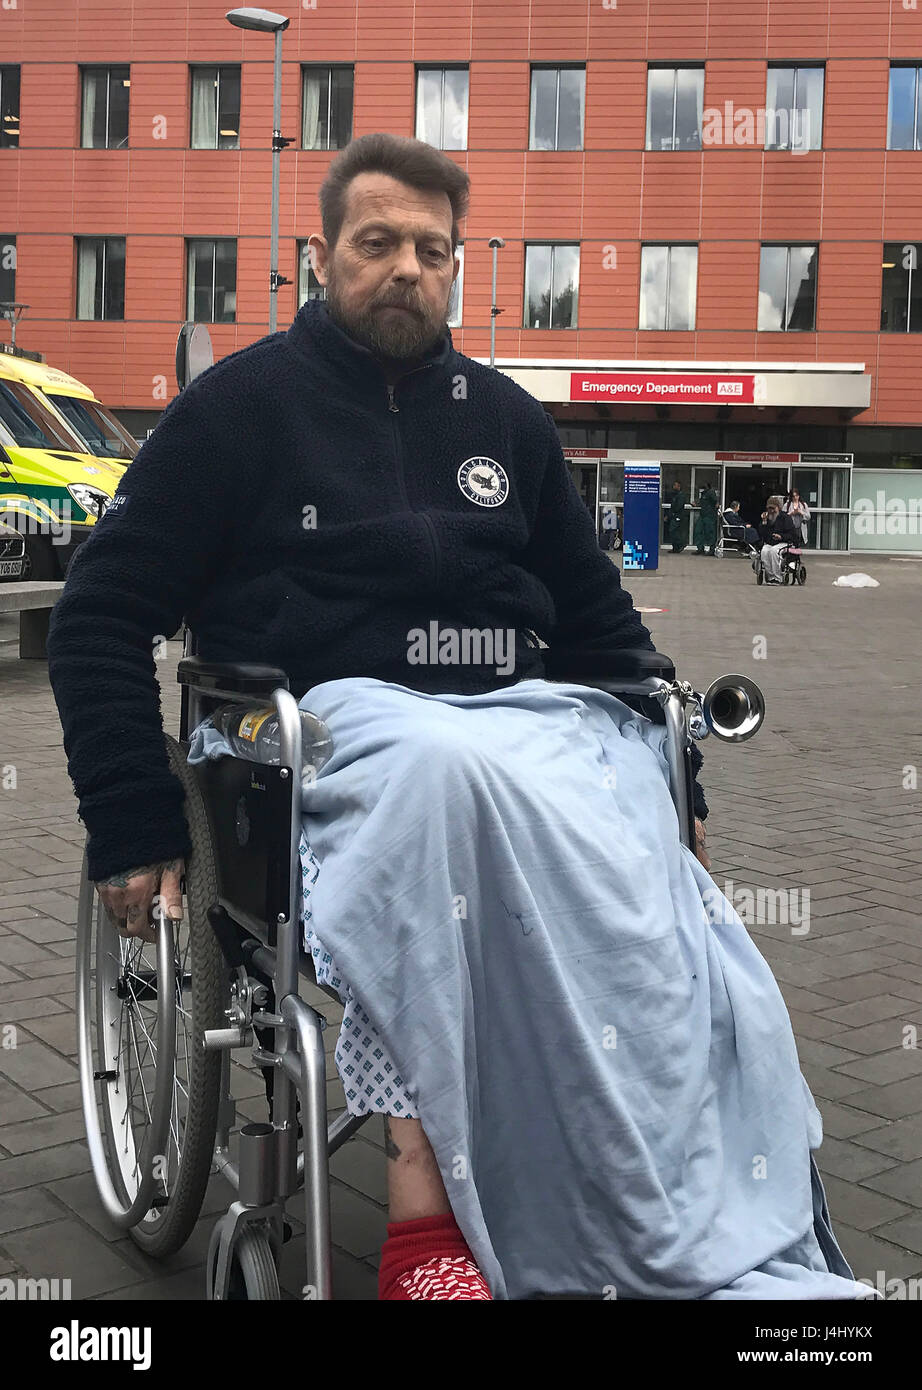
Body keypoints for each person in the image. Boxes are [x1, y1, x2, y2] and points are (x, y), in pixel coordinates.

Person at [47, 134, 862, 1303]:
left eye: (432, 250)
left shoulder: (506, 421)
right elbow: (101, 612)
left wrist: (677, 796)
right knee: (439, 761)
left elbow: (598, 625)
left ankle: (659, 1183)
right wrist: (130, 817)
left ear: (456, 267)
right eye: (377, 244)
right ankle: (424, 1193)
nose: (406, 270)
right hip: (322, 729)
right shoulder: (237, 411)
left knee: (633, 817)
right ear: (318, 254)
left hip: (521, 724)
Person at [758, 495, 799, 582]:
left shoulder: (785, 518)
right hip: (771, 543)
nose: (771, 511)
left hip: (784, 542)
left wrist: (781, 536)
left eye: (773, 508)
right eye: (769, 508)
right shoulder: (767, 518)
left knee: (773, 551)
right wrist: (764, 522)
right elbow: (762, 533)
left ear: (778, 508)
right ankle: (770, 576)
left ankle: (778, 577)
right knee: (764, 552)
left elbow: (792, 534)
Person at [693, 479, 719, 555]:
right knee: (698, 531)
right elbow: (702, 503)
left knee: (710, 533)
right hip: (702, 515)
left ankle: (711, 550)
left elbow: (716, 502)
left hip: (709, 516)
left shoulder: (711, 492)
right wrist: (696, 504)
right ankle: (700, 548)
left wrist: (714, 509)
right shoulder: (704, 493)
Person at [664, 480, 689, 552]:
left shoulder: (681, 495)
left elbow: (678, 506)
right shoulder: (675, 495)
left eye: (675, 485)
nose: (673, 487)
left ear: (679, 486)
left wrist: (673, 513)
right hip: (674, 516)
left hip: (678, 516)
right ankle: (675, 548)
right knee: (673, 532)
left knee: (673, 531)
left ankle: (681, 543)